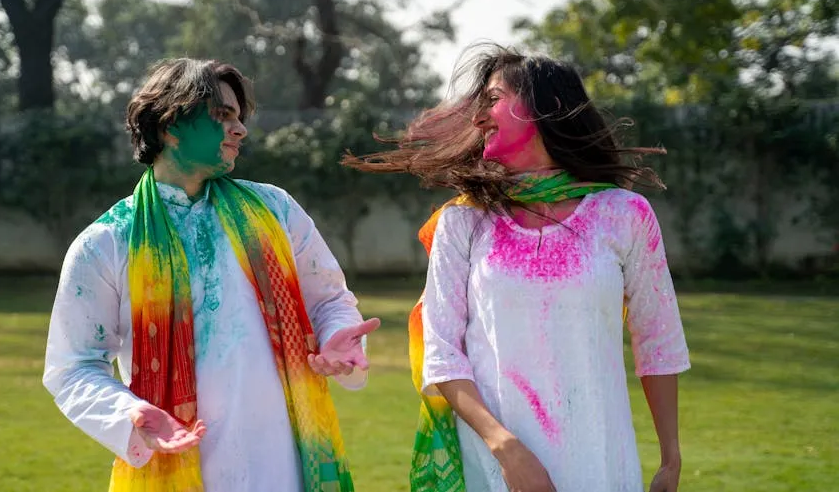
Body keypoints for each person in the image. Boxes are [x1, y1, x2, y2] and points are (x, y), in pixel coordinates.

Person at [344, 44, 690, 492]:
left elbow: (657, 339)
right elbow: (442, 354)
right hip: (495, 464)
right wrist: (506, 448)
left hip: (600, 458)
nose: (478, 118)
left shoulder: (623, 213)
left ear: (544, 107)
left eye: (493, 98)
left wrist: (670, 458)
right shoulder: (464, 221)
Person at [43, 58, 379, 492]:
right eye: (222, 116)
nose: (239, 130)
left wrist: (338, 335)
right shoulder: (108, 242)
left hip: (287, 463)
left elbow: (330, 301)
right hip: (179, 461)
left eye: (239, 118)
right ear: (169, 125)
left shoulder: (275, 211)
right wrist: (126, 414)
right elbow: (73, 366)